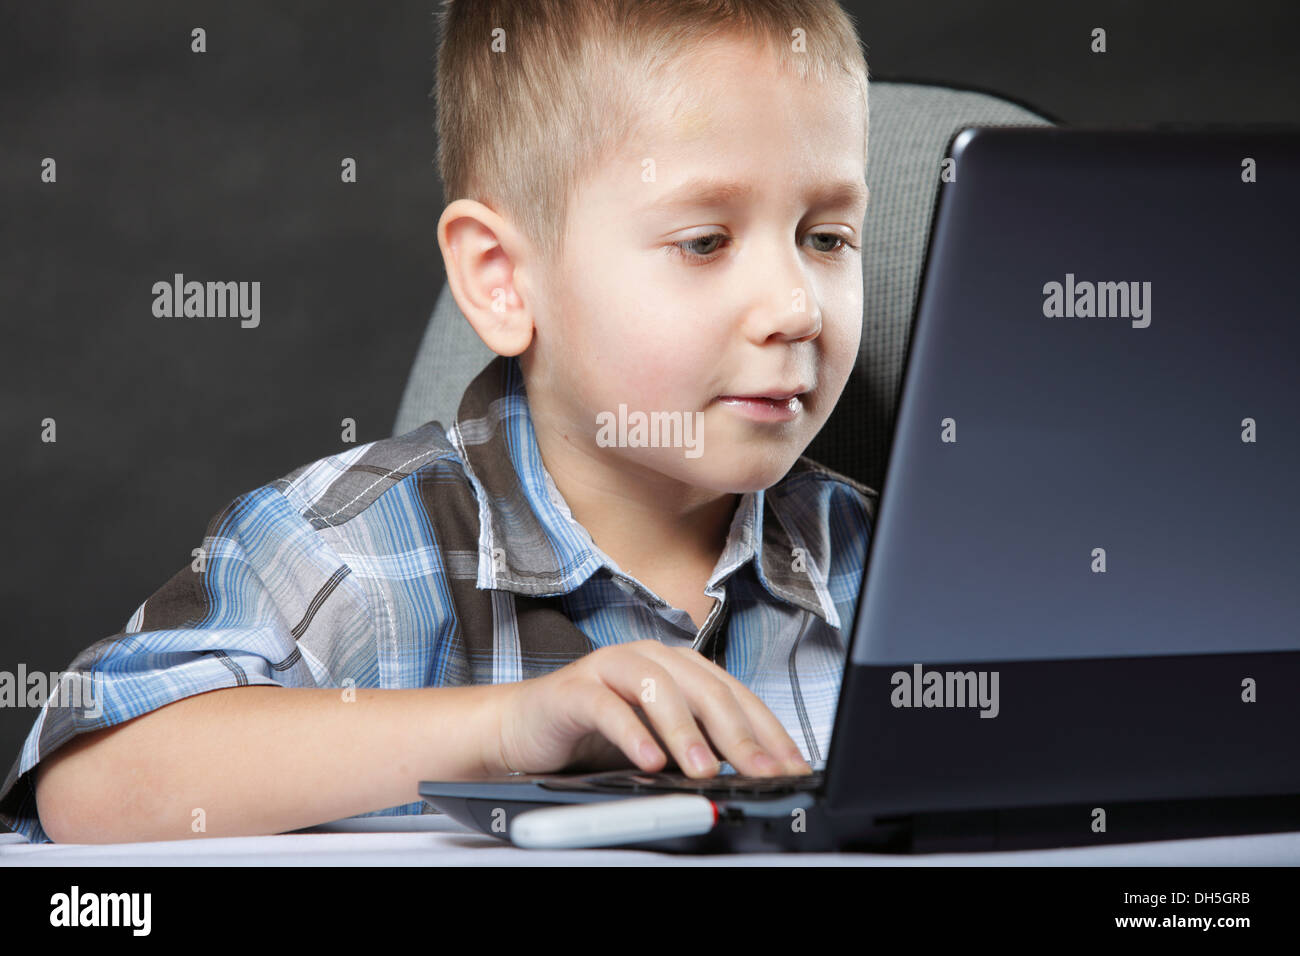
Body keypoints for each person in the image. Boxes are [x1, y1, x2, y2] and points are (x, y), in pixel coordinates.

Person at [3, 0, 876, 844]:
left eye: (828, 238)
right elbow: (89, 781)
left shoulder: (898, 568)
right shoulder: (351, 550)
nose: (796, 307)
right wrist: (502, 730)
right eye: (705, 241)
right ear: (502, 279)